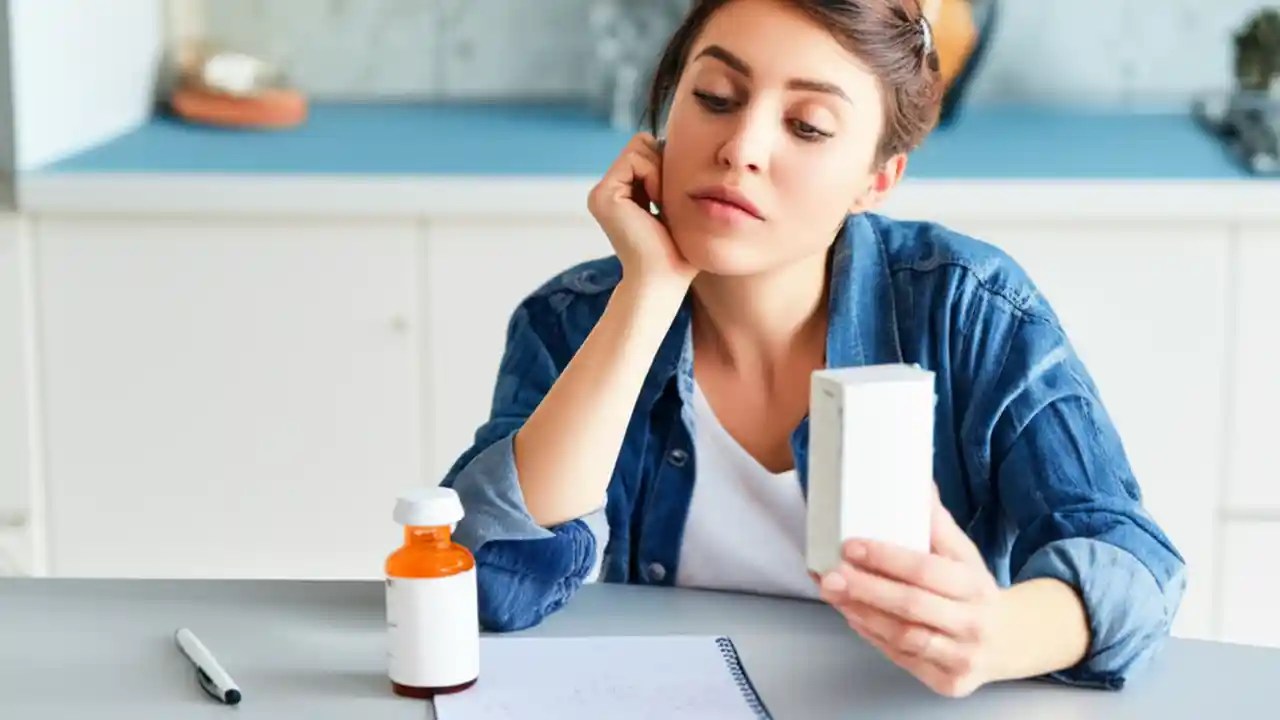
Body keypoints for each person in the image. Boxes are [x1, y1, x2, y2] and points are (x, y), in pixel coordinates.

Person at [441, 0, 1186, 698]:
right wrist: (647, 294)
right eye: (716, 97)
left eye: (808, 125)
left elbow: (1132, 561)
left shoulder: (969, 308)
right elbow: (489, 581)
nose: (740, 149)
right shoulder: (569, 321)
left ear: (877, 179)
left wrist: (997, 635)